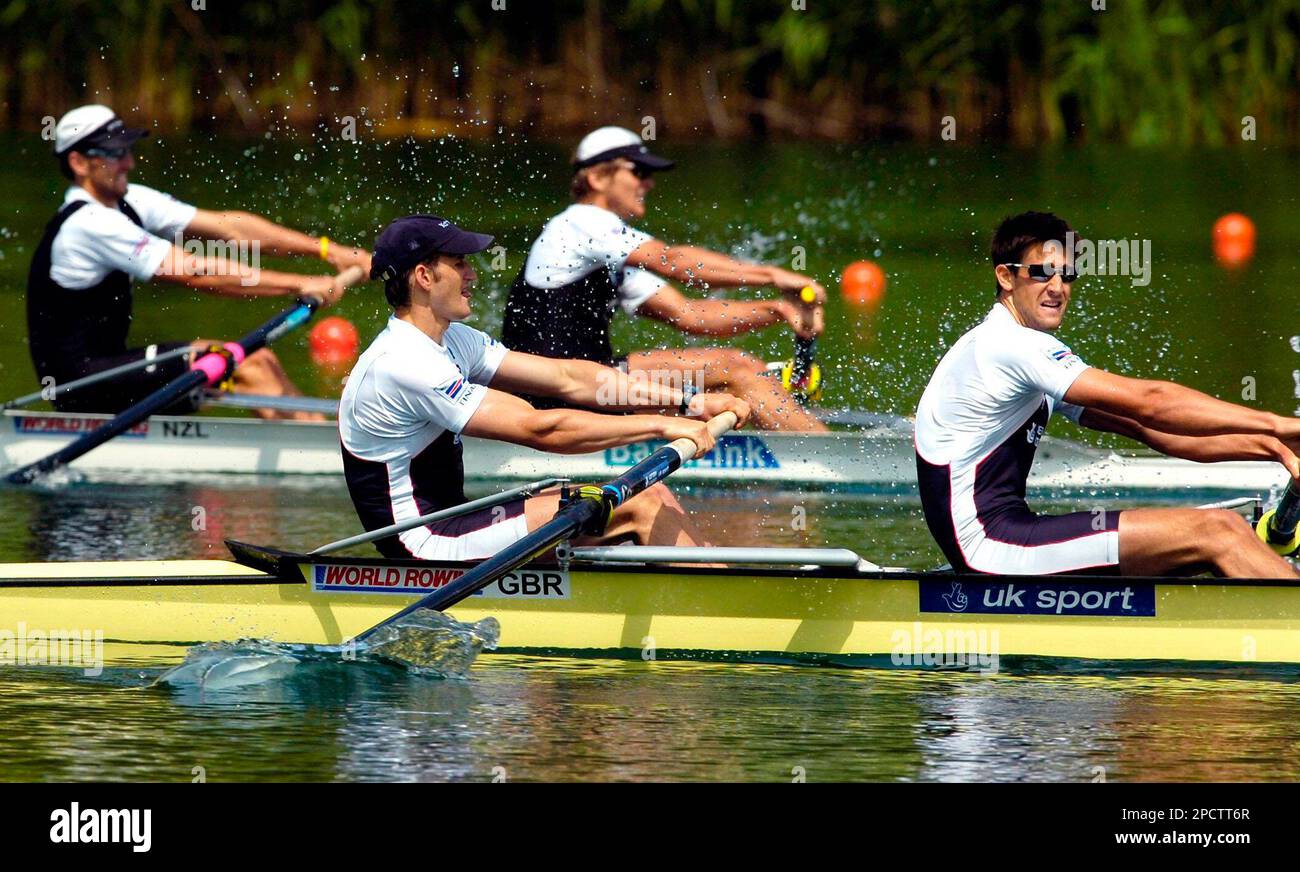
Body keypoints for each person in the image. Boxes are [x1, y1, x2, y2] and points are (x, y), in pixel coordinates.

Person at [340, 215, 750, 560]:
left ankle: (704, 591)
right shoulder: (404, 363)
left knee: (653, 490)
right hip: (424, 542)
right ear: (425, 276)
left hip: (459, 519)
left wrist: (688, 401)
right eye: (460, 263)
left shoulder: (455, 339)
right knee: (641, 503)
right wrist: (660, 427)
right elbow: (541, 429)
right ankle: (722, 623)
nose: (473, 275)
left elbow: (569, 379)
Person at [914, 210, 1300, 578]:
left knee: (1212, 533)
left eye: (1067, 275)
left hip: (1005, 537)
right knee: (1220, 531)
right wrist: (1281, 424)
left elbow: (1153, 429)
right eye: (1043, 272)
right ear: (1006, 277)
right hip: (989, 546)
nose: (1057, 288)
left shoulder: (1020, 350)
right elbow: (1151, 403)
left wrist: (1274, 447)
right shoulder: (1009, 345)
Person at [28, 104, 371, 419]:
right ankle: (322, 460)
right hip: (82, 385)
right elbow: (196, 272)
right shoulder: (88, 224)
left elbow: (232, 229)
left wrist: (328, 250)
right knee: (247, 367)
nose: (128, 163)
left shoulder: (128, 201)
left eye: (127, 150)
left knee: (259, 359)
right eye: (115, 153)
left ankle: (317, 444)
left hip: (112, 369)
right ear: (78, 162)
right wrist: (299, 284)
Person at [501, 125, 828, 431]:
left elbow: (691, 315)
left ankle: (795, 447)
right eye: (639, 172)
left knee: (734, 374)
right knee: (736, 368)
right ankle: (825, 460)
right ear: (599, 178)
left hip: (594, 387)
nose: (649, 183)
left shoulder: (608, 253)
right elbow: (672, 261)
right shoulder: (580, 222)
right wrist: (772, 275)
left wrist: (778, 310)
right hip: (553, 394)